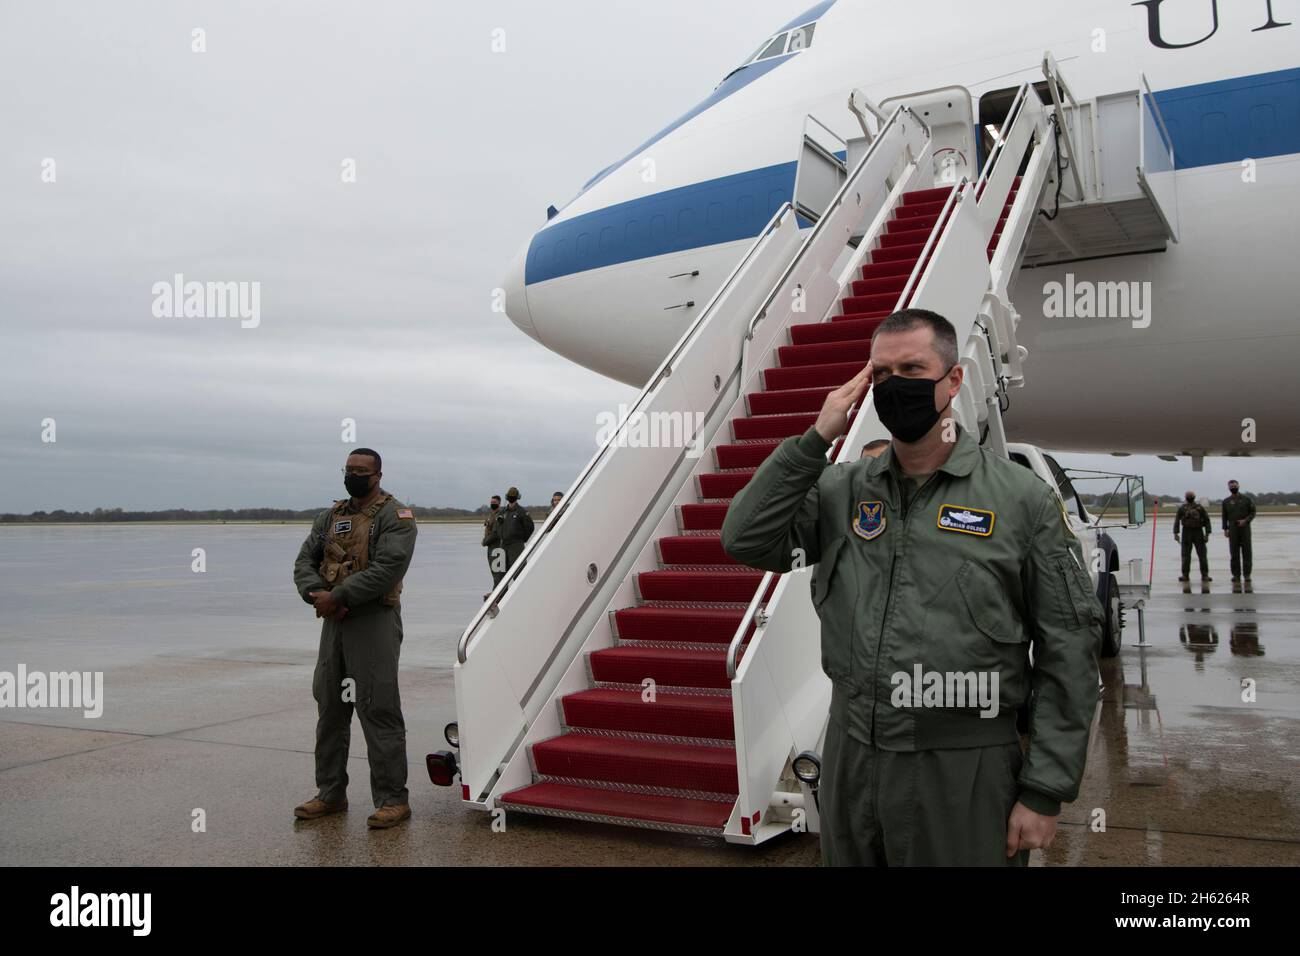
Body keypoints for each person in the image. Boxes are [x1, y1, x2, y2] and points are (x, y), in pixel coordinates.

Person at [721, 308, 1102, 866]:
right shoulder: (842, 491)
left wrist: (1044, 790)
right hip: (852, 755)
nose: (895, 386)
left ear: (953, 380)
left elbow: (1068, 648)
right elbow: (745, 538)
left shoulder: (1020, 501)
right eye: (881, 374)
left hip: (961, 765)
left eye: (912, 368)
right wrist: (817, 436)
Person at [291, 448, 417, 829]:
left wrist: (340, 596)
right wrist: (318, 594)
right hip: (334, 622)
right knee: (330, 708)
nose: (353, 475)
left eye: (361, 470)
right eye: (348, 469)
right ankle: (330, 793)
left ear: (378, 474)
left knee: (378, 709)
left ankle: (393, 799)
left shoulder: (397, 517)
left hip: (373, 621)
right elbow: (304, 563)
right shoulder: (330, 516)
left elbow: (388, 568)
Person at [1173, 490, 1212, 583]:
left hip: (1198, 532)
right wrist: (1176, 533)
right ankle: (1185, 575)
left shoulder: (1200, 508)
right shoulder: (1182, 508)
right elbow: (1177, 520)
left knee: (1202, 555)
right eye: (1188, 495)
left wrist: (1207, 534)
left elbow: (1207, 520)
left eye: (1191, 496)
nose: (1190, 497)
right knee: (1185, 556)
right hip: (1186, 532)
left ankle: (1205, 575)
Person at [1221, 479, 1256, 583]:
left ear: (1239, 486)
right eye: (1231, 486)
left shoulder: (1247, 499)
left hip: (1245, 528)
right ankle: (1236, 575)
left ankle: (1247, 575)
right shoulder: (1226, 501)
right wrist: (1225, 529)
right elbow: (1224, 516)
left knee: (1247, 553)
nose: (1233, 488)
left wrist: (1246, 520)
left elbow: (1253, 512)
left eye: (1235, 486)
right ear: (1229, 488)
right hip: (1233, 529)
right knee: (1234, 553)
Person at [498, 486, 534, 573]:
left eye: (513, 494)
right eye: (510, 494)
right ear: (507, 496)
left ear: (517, 497)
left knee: (518, 572)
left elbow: (530, 527)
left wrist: (522, 539)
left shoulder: (522, 512)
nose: (511, 496)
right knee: (501, 574)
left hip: (516, 546)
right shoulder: (503, 512)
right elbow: (498, 526)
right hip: (503, 545)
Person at [482, 494, 504, 596]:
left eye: (494, 503)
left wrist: (485, 541)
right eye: (491, 503)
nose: (492, 504)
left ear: (499, 503)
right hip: (491, 548)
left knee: (498, 573)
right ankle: (496, 593)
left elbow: (496, 533)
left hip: (497, 548)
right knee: (494, 572)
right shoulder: (491, 514)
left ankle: (498, 594)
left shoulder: (500, 515)